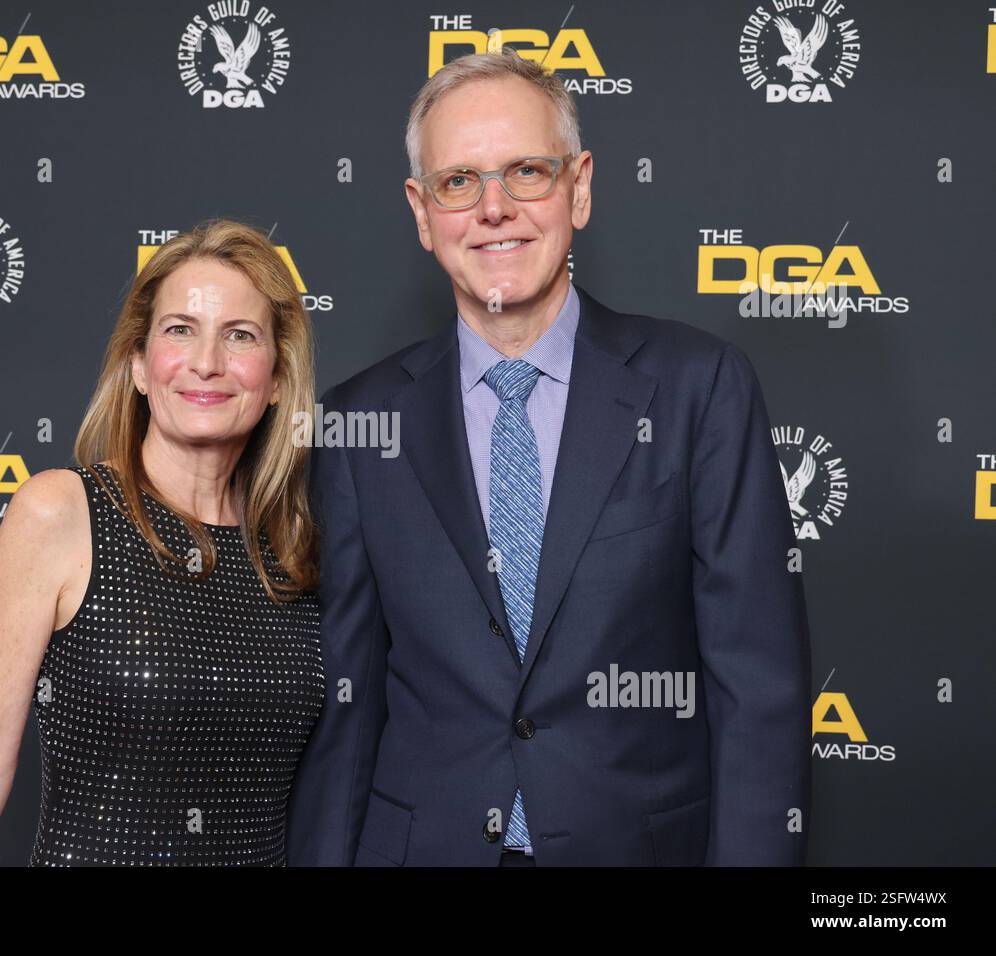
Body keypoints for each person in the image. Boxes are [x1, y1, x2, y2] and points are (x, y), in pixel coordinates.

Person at [287, 50, 811, 866]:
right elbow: (348, 712)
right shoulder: (359, 424)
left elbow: (760, 695)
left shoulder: (698, 389)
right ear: (422, 213)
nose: (494, 208)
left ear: (581, 186)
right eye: (460, 182)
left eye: (527, 171)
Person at [0, 219, 324, 866]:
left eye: (240, 336)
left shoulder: (296, 546)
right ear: (138, 364)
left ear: (278, 378)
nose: (207, 362)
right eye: (180, 330)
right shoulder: (62, 512)